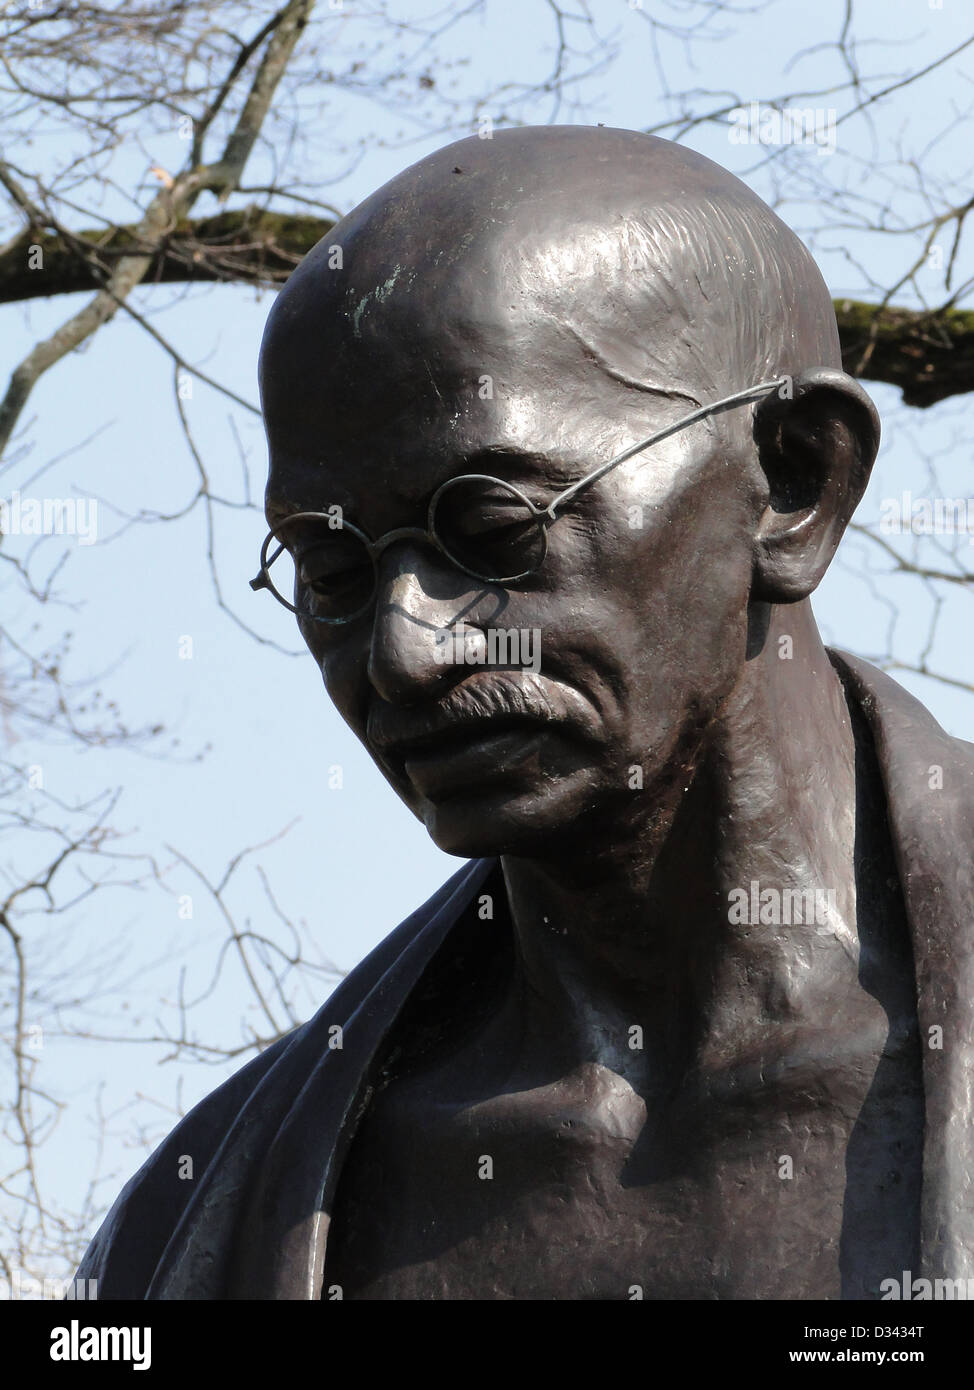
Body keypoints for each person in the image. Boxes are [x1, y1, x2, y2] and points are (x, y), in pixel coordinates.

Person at [78, 125, 974, 1300]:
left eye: (493, 531)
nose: (402, 651)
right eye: (332, 569)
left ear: (793, 483)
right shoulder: (191, 1231)